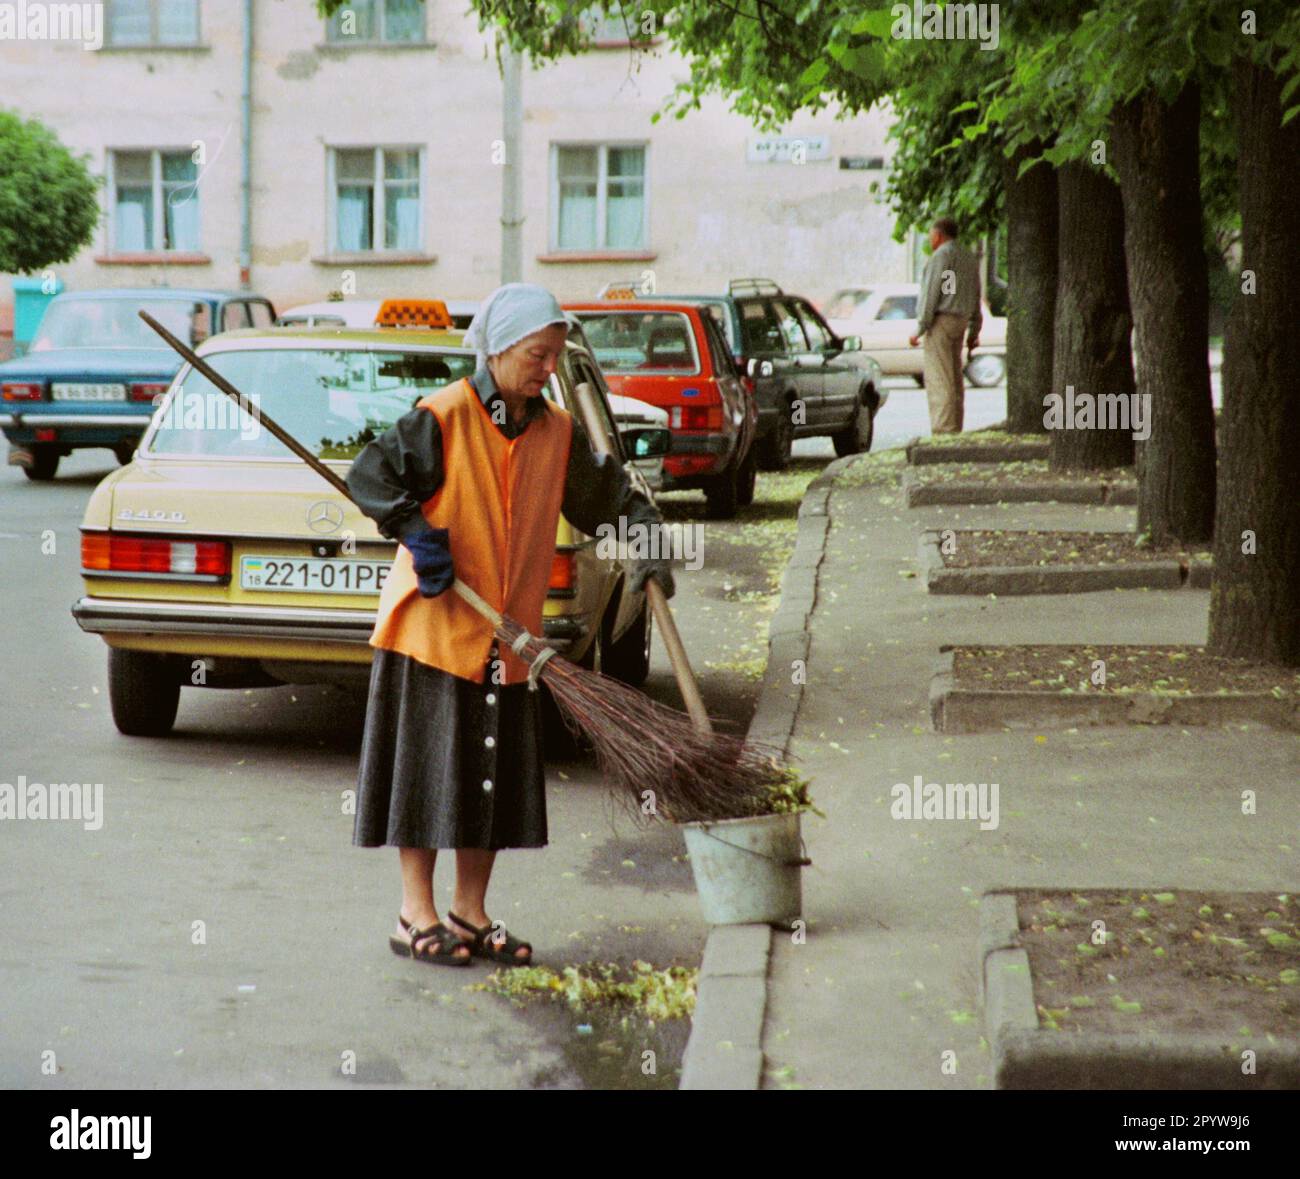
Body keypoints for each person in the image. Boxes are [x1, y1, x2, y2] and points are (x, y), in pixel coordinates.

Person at [346, 283, 673, 968]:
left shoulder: (555, 431)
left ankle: (468, 911)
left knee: (484, 772)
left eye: (554, 355)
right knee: (427, 772)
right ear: (497, 349)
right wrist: (417, 531)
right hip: (432, 629)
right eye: (537, 353)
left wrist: (647, 540)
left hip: (509, 635)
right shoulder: (442, 415)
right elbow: (371, 474)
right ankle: (415, 913)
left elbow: (608, 496)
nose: (548, 367)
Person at [909, 217, 983, 435]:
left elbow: (933, 291)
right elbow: (975, 293)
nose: (930, 239)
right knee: (955, 377)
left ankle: (944, 430)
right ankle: (955, 426)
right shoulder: (968, 257)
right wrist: (975, 329)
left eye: (931, 235)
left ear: (938, 235)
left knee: (939, 377)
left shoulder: (941, 256)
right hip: (960, 321)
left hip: (941, 321)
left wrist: (920, 327)